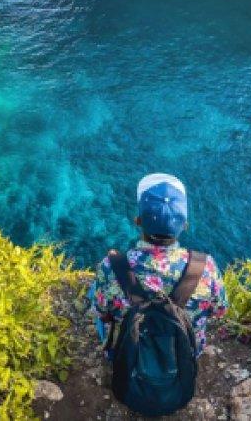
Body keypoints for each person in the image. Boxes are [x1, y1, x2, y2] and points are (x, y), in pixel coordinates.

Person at [90, 173, 228, 415]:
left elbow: (101, 311)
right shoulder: (205, 266)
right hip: (183, 352)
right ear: (184, 224)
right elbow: (220, 311)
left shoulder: (113, 265)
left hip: (128, 353)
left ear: (138, 220)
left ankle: (116, 354)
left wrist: (114, 263)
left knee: (98, 300)